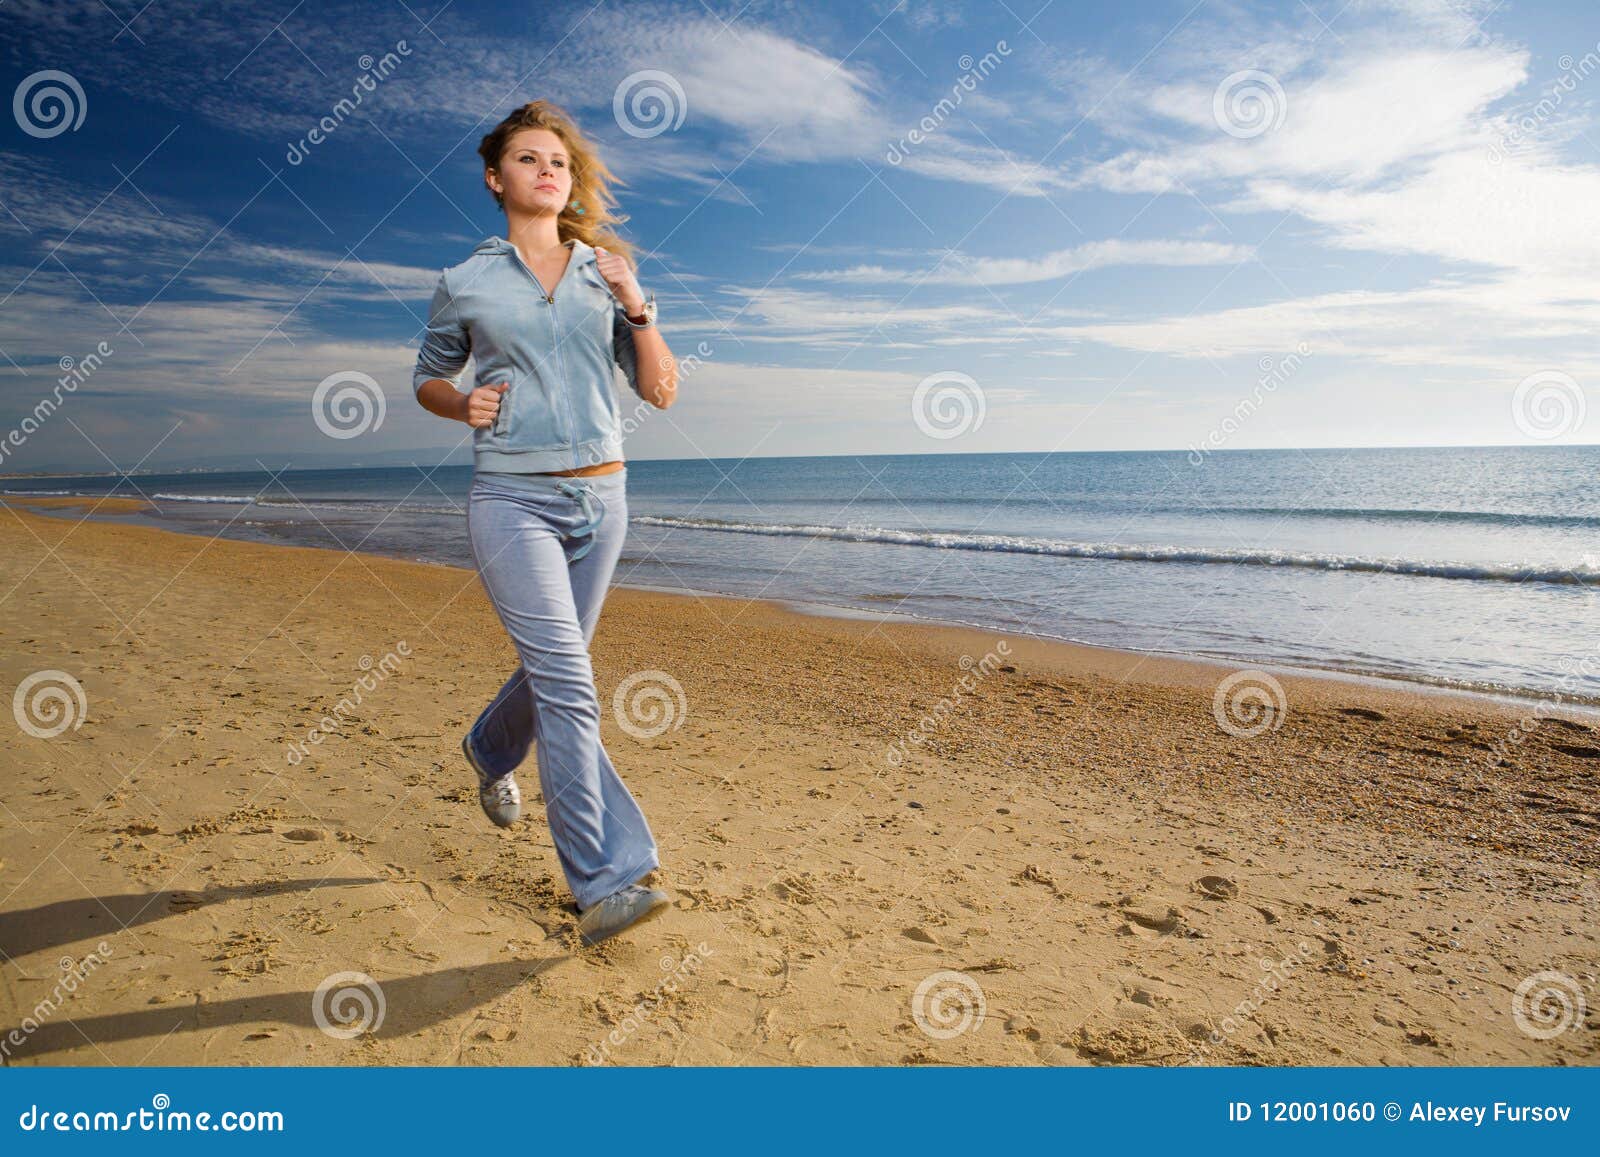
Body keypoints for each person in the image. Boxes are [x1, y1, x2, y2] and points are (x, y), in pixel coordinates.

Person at [412, 100, 678, 947]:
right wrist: (464, 402)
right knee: (568, 682)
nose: (548, 171)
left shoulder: (608, 271)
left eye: (558, 161)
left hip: (603, 500)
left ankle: (491, 749)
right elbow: (427, 377)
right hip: (511, 498)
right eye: (529, 160)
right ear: (498, 179)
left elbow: (662, 391)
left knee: (553, 672)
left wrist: (639, 309)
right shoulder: (465, 280)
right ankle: (606, 883)